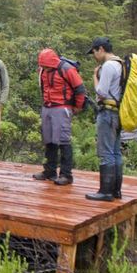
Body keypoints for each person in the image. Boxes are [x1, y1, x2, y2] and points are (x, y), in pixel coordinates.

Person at [32, 48, 87, 185]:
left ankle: (66, 175)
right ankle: (49, 171)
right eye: (42, 65)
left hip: (62, 107)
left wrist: (78, 107)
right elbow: (44, 88)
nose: (43, 68)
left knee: (63, 141)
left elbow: (80, 89)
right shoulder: (43, 71)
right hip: (47, 107)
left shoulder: (67, 69)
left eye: (45, 65)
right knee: (49, 140)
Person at [85, 36, 124, 201]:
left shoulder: (108, 66)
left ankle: (106, 192)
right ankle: (116, 191)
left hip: (107, 112)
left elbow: (101, 92)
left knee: (106, 152)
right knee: (115, 152)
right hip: (118, 113)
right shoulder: (121, 64)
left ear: (101, 49)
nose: (94, 55)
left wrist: (95, 76)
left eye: (94, 52)